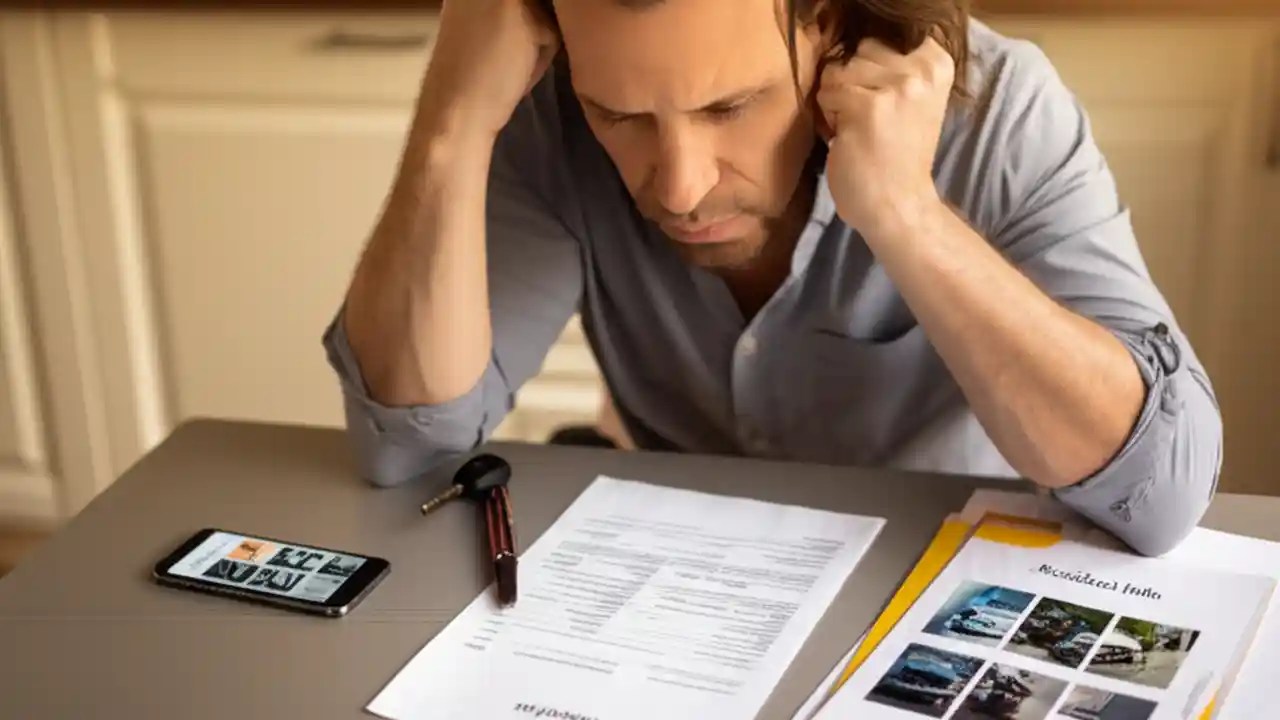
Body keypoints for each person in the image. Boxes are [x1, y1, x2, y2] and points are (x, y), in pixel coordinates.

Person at [323, 0, 1221, 557]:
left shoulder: (996, 111)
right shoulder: (547, 114)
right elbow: (407, 442)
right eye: (621, 114)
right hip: (691, 600)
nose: (680, 186)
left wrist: (905, 213)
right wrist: (452, 121)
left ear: (831, 27)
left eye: (730, 106)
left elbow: (1162, 492)